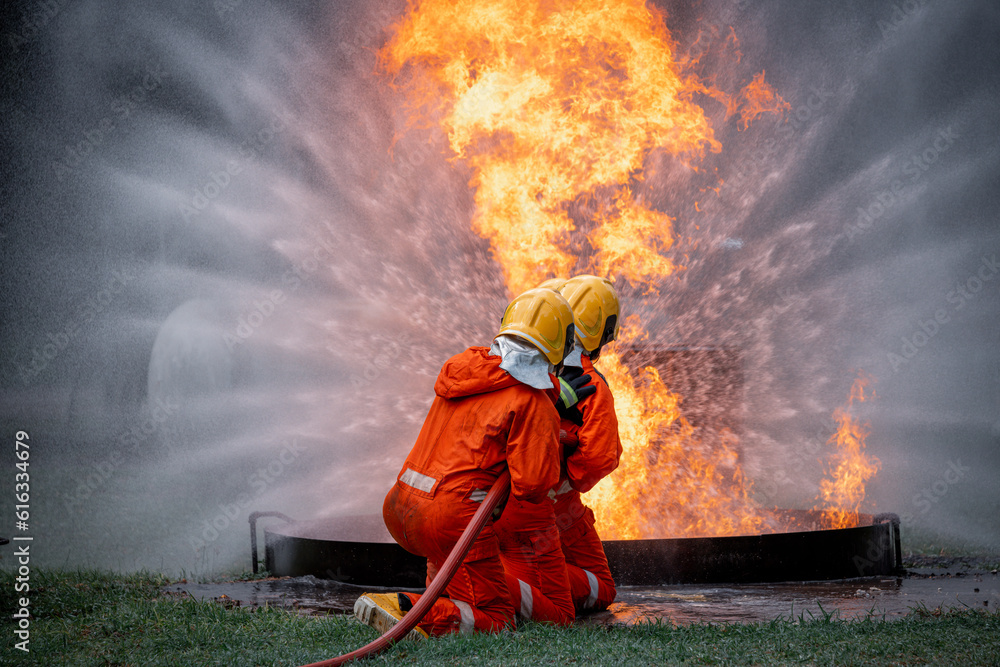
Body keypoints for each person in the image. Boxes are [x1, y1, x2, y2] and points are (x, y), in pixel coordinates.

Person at [354, 287, 576, 638]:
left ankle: (428, 606)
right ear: (560, 344)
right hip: (452, 522)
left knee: (449, 590)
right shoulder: (532, 402)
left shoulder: (465, 374)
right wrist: (550, 421)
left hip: (402, 505)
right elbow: (532, 486)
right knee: (496, 618)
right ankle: (405, 609)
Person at [493, 275, 623, 621]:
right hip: (547, 508)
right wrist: (567, 476)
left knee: (547, 568)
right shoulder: (591, 385)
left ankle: (502, 573)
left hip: (500, 506)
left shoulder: (512, 366)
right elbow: (597, 459)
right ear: (601, 329)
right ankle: (488, 580)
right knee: (599, 589)